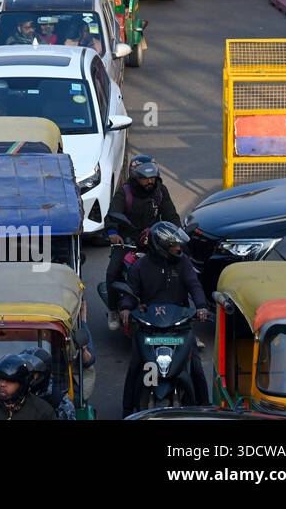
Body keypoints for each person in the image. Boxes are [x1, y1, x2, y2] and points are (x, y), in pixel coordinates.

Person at [119, 222, 211, 417]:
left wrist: (201, 306)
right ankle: (127, 410)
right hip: (148, 326)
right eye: (174, 245)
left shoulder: (183, 263)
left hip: (179, 325)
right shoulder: (140, 267)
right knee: (135, 366)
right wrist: (126, 308)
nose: (179, 248)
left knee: (196, 366)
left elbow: (194, 285)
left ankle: (205, 407)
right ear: (161, 246)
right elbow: (130, 291)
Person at [104, 156, 180, 330]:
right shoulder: (124, 192)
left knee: (176, 267)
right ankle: (113, 309)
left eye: (152, 177)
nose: (149, 181)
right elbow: (112, 215)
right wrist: (113, 233)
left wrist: (176, 234)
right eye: (145, 178)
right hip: (127, 241)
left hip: (154, 240)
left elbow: (171, 216)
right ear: (135, 177)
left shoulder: (161, 191)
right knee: (112, 271)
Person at [0, 353, 57, 420]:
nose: (2, 384)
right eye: (0, 379)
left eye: (9, 381)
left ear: (22, 385)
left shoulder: (43, 411)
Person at [24, 348, 76, 420]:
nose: (28, 377)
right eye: (26, 372)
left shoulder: (60, 402)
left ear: (43, 373)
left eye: (33, 373)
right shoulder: (17, 394)